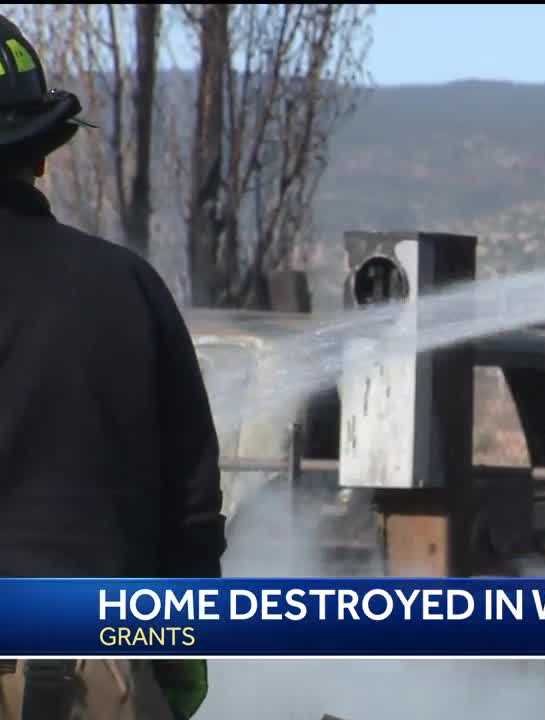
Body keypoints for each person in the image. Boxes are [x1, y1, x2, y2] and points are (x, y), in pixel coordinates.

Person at [0, 14, 225, 720]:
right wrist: (176, 656)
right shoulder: (129, 289)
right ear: (40, 156)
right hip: (90, 676)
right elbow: (191, 513)